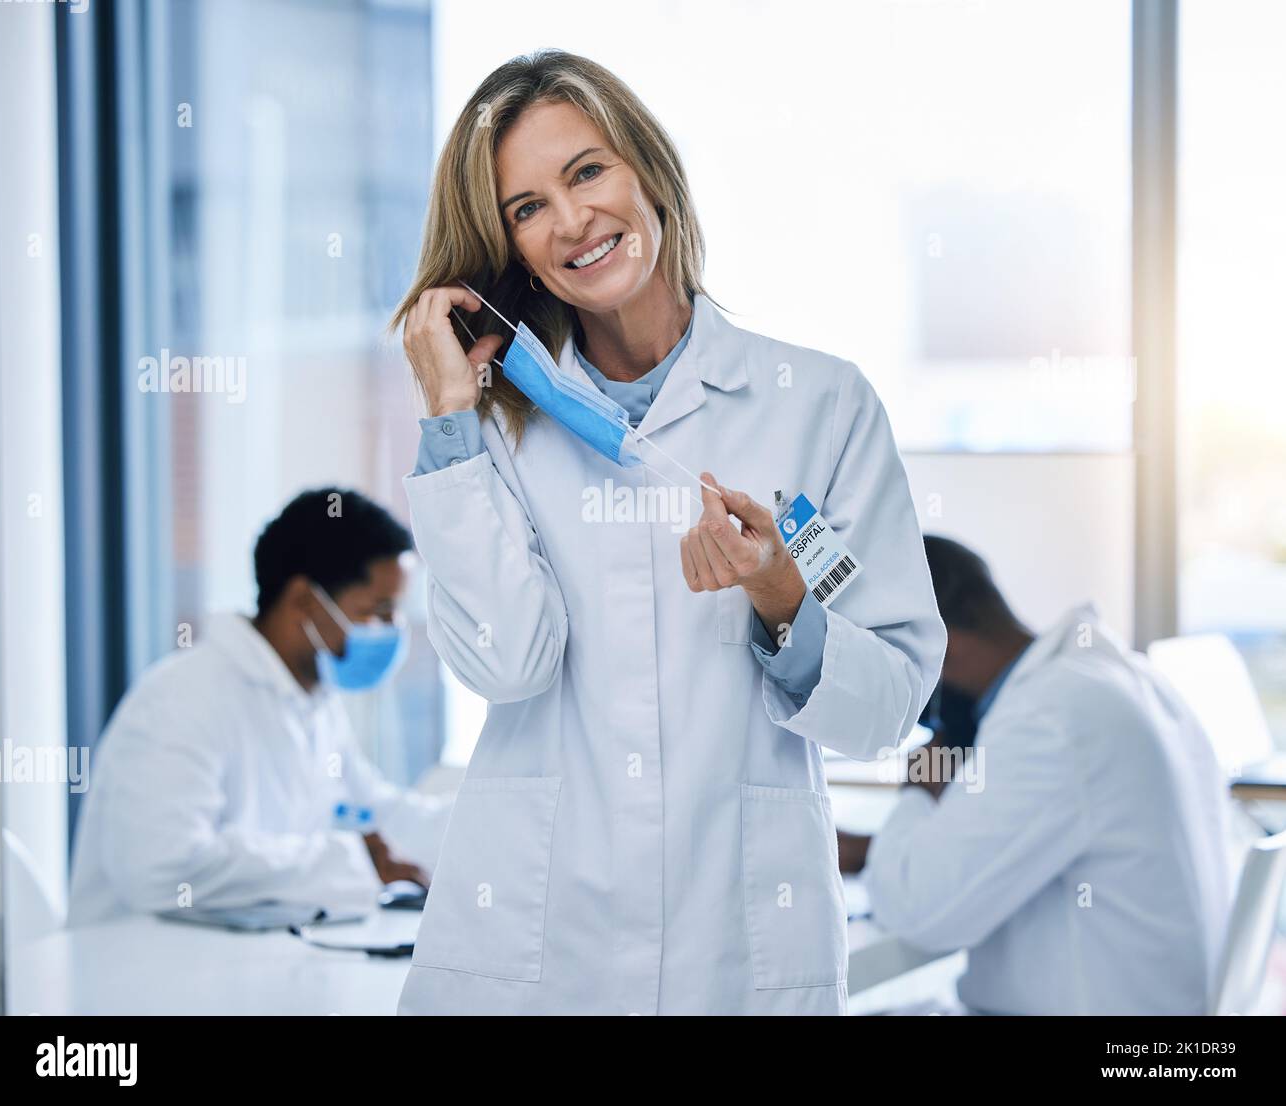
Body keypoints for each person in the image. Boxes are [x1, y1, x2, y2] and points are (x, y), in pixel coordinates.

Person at [390, 49, 945, 1016]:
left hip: (737, 951)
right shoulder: (488, 430)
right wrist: (448, 411)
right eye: (526, 208)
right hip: (533, 944)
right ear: (507, 246)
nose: (571, 222)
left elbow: (888, 706)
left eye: (587, 171)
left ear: (649, 168)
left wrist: (781, 594)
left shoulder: (819, 404)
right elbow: (510, 667)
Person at [852, 535, 1235, 1015]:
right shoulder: (1114, 679)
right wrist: (872, 847)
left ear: (936, 646)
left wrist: (922, 783)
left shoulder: (1051, 717)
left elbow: (914, 911)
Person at [68, 489, 451, 927]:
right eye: (378, 612)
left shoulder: (314, 702)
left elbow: (380, 817)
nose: (393, 631)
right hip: (134, 973)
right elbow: (161, 869)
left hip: (236, 966)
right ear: (305, 601)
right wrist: (348, 862)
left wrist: (484, 822)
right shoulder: (184, 697)